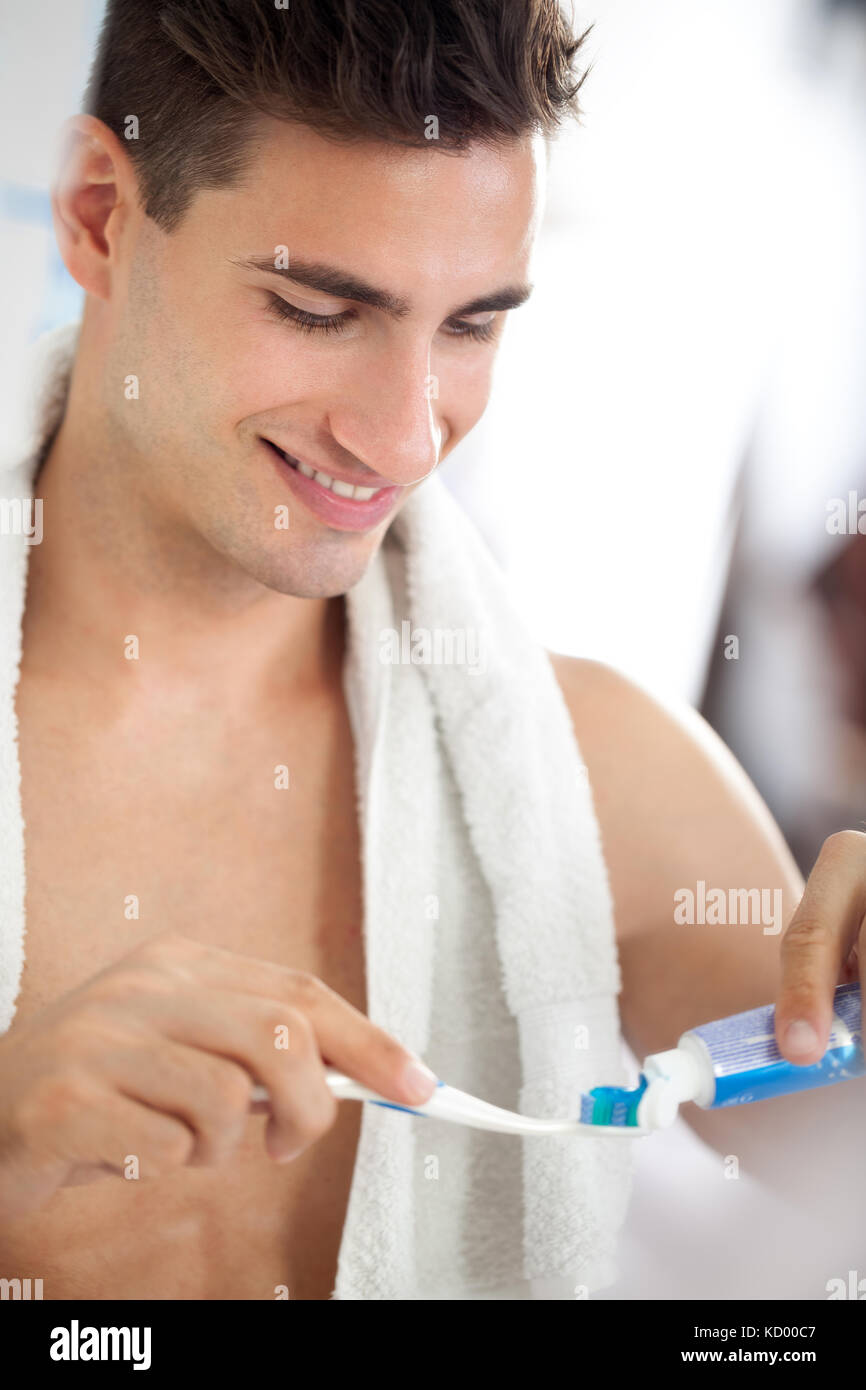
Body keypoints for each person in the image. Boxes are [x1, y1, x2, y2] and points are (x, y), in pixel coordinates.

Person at [0, 0, 862, 1302]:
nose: (406, 439)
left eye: (469, 325)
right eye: (316, 308)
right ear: (100, 216)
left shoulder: (597, 778)